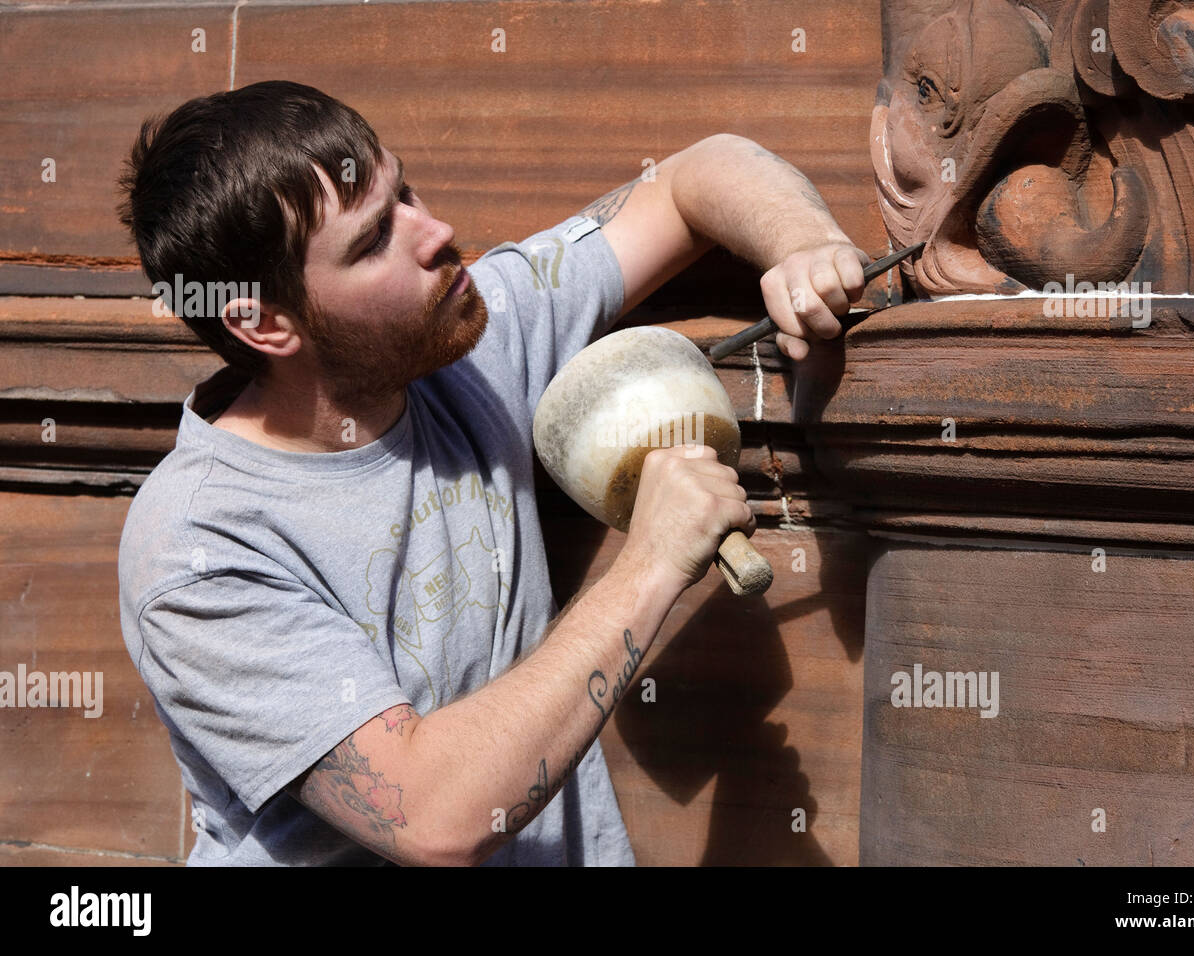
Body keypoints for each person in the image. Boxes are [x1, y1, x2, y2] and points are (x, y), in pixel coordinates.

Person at [115, 80, 870, 866]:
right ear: (266, 324)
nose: (436, 232)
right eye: (374, 240)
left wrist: (802, 244)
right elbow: (432, 817)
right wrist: (650, 563)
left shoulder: (466, 337)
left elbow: (695, 176)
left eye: (403, 189)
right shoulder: (198, 551)